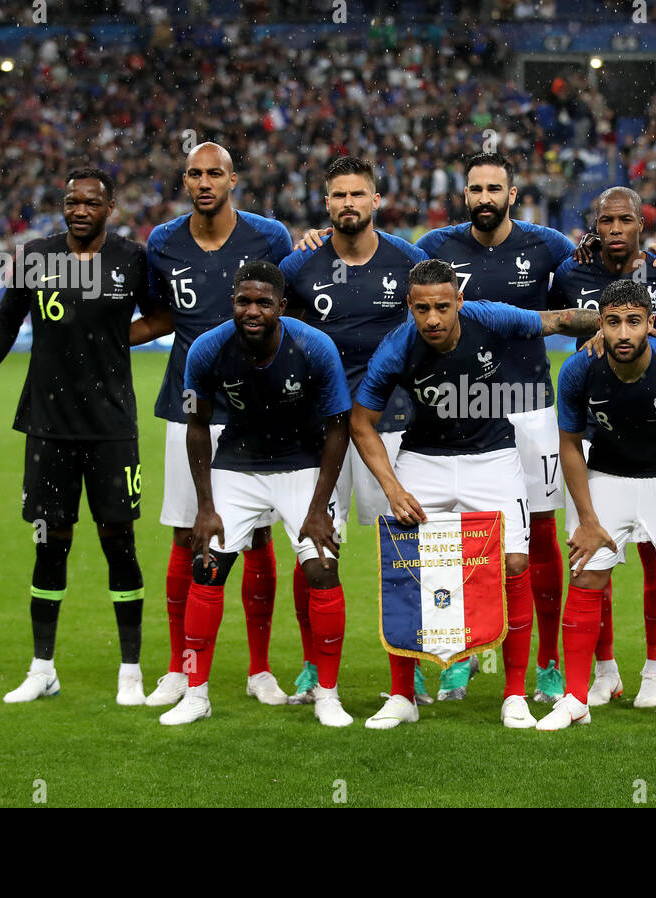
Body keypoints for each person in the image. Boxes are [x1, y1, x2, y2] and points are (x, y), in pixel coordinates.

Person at [349, 259, 602, 730]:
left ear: (459, 302)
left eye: (443, 307)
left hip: (493, 457)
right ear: (410, 306)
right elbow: (361, 422)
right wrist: (393, 486)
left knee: (514, 564)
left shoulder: (489, 317)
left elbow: (556, 320)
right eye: (422, 309)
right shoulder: (396, 349)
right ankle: (403, 694)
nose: (433, 319)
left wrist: (609, 322)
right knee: (407, 569)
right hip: (423, 460)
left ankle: (513, 695)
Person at [0, 168, 153, 705]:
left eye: (91, 202)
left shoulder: (133, 258)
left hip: (111, 429)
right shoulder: (36, 257)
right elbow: (3, 325)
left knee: (119, 543)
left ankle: (130, 672)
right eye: (71, 201)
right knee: (49, 544)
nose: (79, 209)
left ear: (110, 207)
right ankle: (43, 668)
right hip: (48, 427)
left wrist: (115, 339)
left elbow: (165, 315)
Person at [158, 261, 353, 727]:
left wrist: (319, 507)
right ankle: (196, 694)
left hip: (303, 465)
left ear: (281, 307)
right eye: (243, 301)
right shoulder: (207, 349)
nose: (252, 310)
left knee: (322, 570)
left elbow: (338, 428)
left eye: (263, 302)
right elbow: (198, 425)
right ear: (232, 303)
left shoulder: (315, 347)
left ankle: (328, 694)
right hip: (237, 465)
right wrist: (204, 507)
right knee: (206, 567)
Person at [138, 142, 295, 709]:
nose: (205, 182)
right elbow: (158, 316)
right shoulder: (163, 243)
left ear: (234, 179)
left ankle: (260, 671)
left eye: (215, 174)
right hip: (188, 407)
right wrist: (95, 337)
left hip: (256, 408)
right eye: (194, 174)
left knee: (255, 539)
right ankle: (181, 671)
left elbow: (289, 307)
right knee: (187, 534)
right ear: (185, 182)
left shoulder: (270, 238)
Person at [539, 279, 656, 733]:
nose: (624, 333)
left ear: (650, 324)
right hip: (607, 480)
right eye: (614, 322)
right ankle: (575, 699)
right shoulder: (579, 370)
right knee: (585, 578)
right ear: (599, 324)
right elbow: (569, 444)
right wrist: (585, 518)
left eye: (634, 322)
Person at [279, 155, 428, 704]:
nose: (348, 204)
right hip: (320, 431)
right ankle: (313, 667)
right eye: (338, 195)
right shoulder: (300, 266)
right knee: (314, 544)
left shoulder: (410, 262)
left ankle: (408, 674)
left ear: (376, 200)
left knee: (407, 551)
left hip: (393, 427)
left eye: (357, 195)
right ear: (326, 204)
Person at [549, 186, 656, 709]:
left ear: (642, 224)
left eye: (625, 220)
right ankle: (606, 669)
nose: (615, 229)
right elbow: (537, 318)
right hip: (597, 436)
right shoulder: (572, 274)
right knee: (596, 554)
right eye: (606, 220)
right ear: (595, 225)